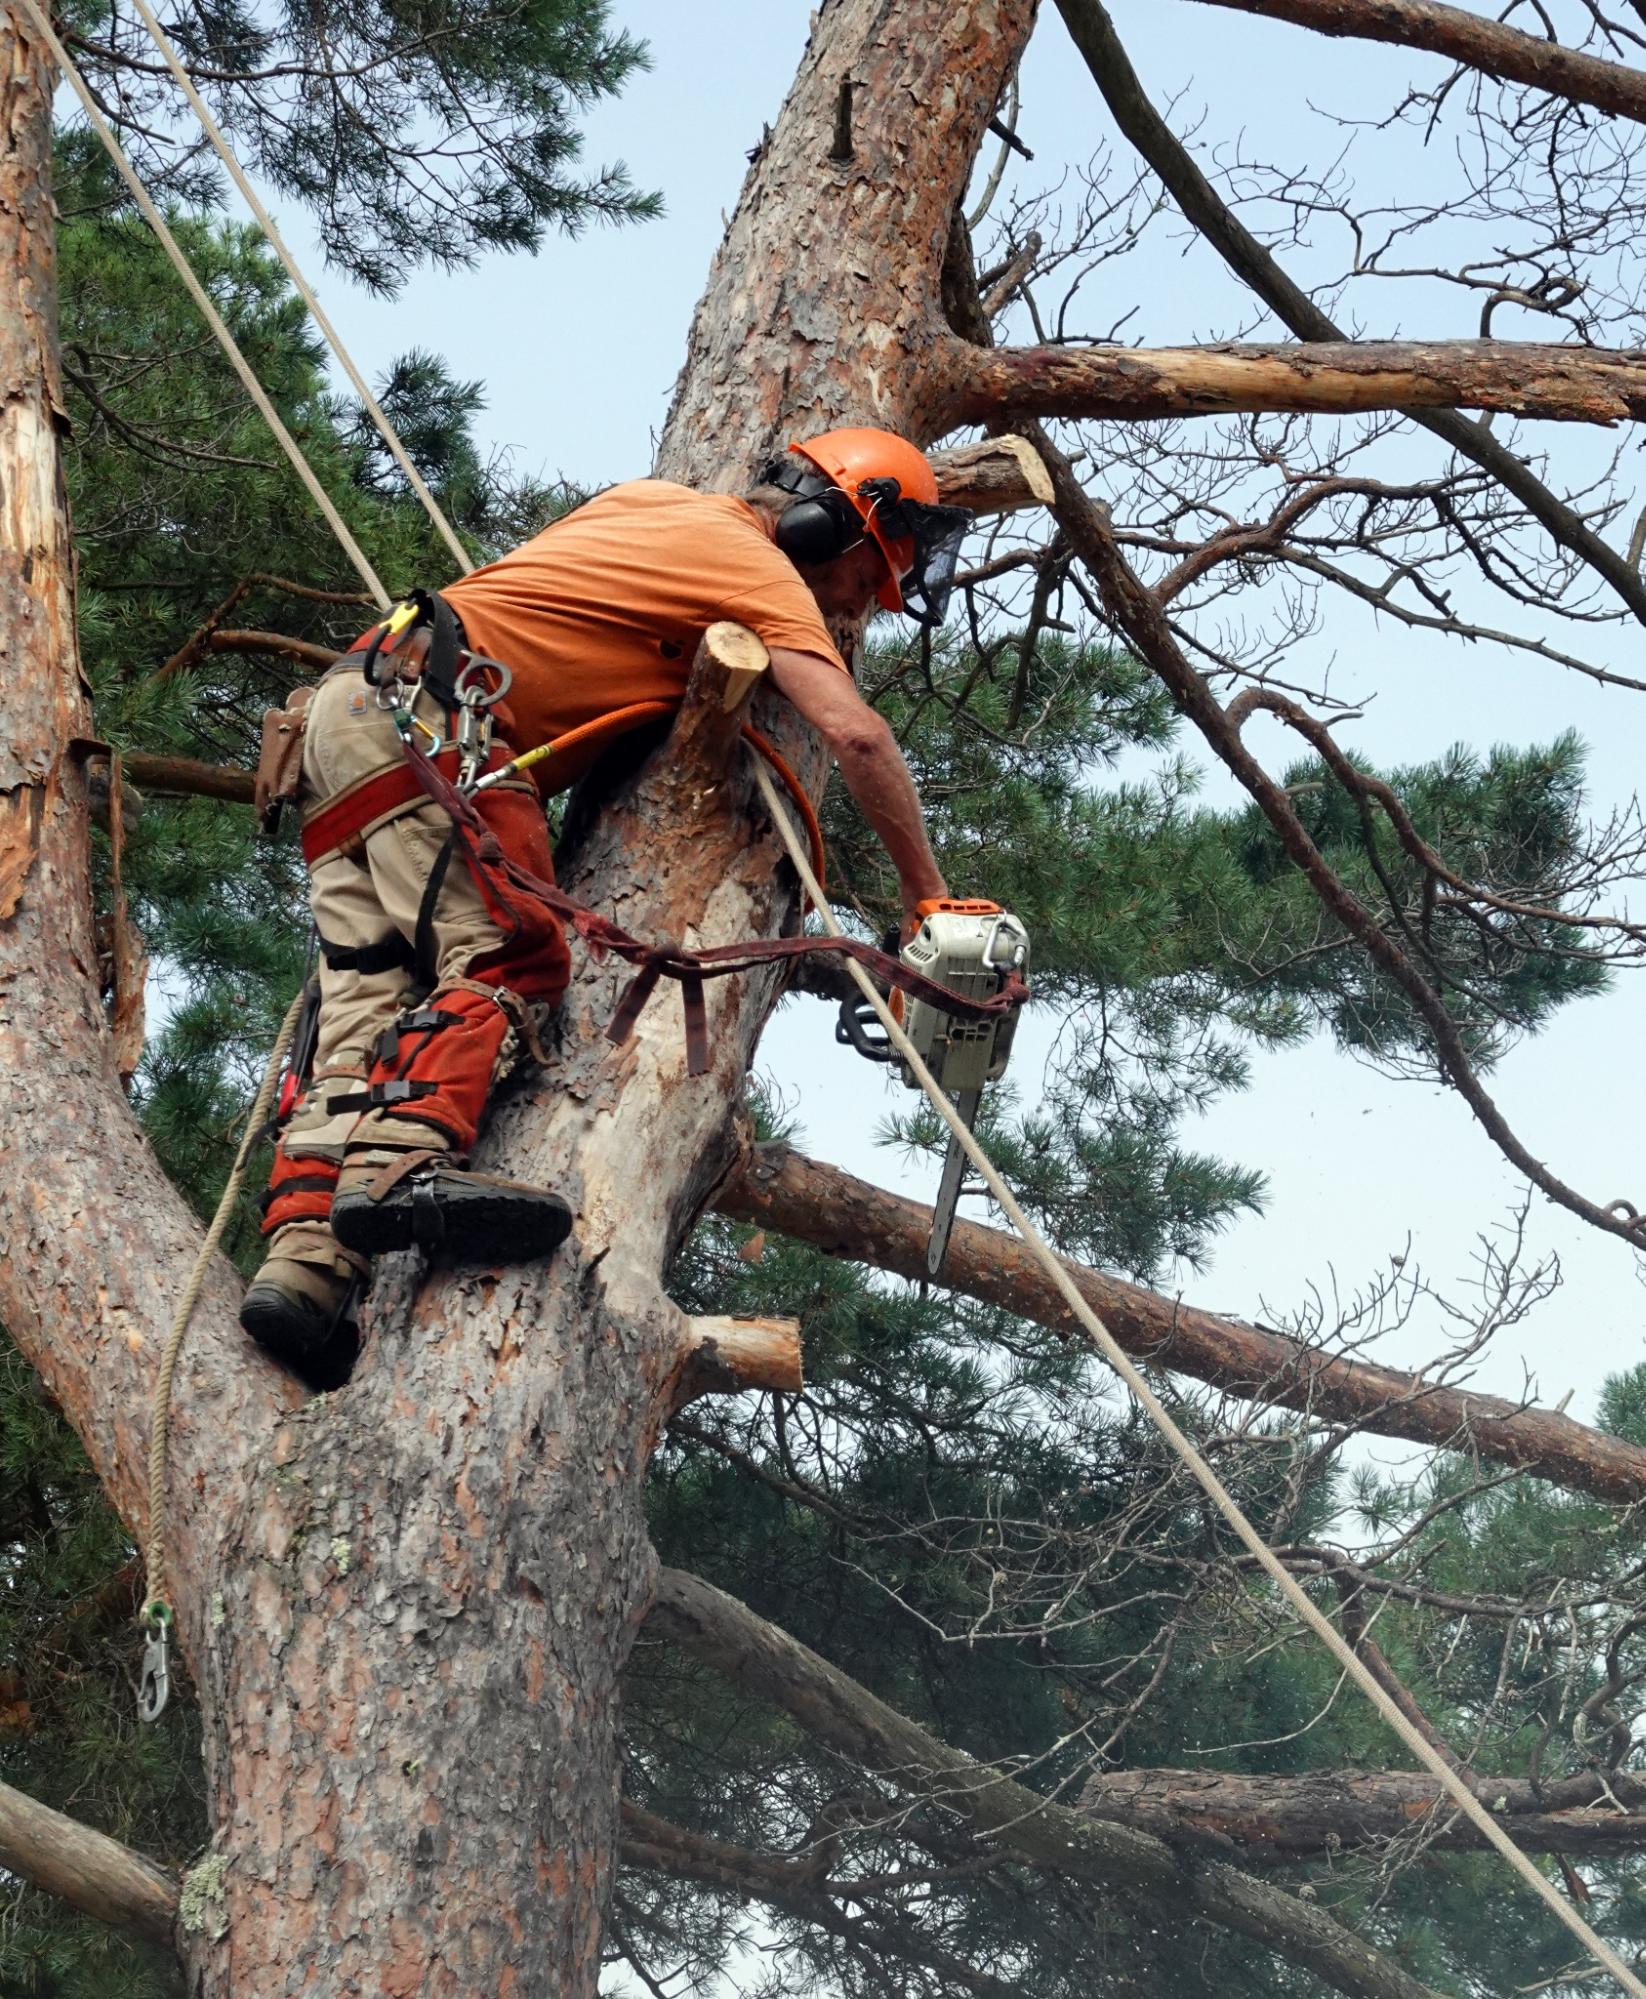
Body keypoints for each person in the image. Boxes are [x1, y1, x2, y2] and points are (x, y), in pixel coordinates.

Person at [239, 426, 972, 1380]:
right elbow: (856, 736)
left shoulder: (648, 505)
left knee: (366, 1004)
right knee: (513, 954)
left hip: (341, 717)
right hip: (437, 720)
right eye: (859, 578)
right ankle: (399, 1167)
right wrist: (931, 901)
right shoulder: (756, 567)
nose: (848, 609)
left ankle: (303, 1276)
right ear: (819, 521)